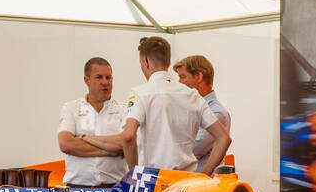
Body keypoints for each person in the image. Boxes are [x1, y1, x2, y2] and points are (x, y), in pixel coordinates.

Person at [88, 36, 230, 174]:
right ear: (168, 62)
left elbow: (128, 137)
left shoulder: (140, 93)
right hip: (187, 182)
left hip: (154, 180)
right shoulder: (192, 94)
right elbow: (224, 139)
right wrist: (204, 175)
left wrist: (135, 175)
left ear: (145, 62)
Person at [56, 56, 127, 192]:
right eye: (99, 77)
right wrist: (109, 148)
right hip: (76, 191)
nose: (105, 82)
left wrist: (86, 139)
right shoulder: (72, 108)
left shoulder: (123, 110)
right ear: (87, 80)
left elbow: (125, 143)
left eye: (109, 77)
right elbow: (66, 143)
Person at [173, 55, 231, 173]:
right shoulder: (191, 107)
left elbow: (192, 149)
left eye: (183, 77)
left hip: (202, 185)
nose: (179, 83)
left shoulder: (217, 112)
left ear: (198, 77)